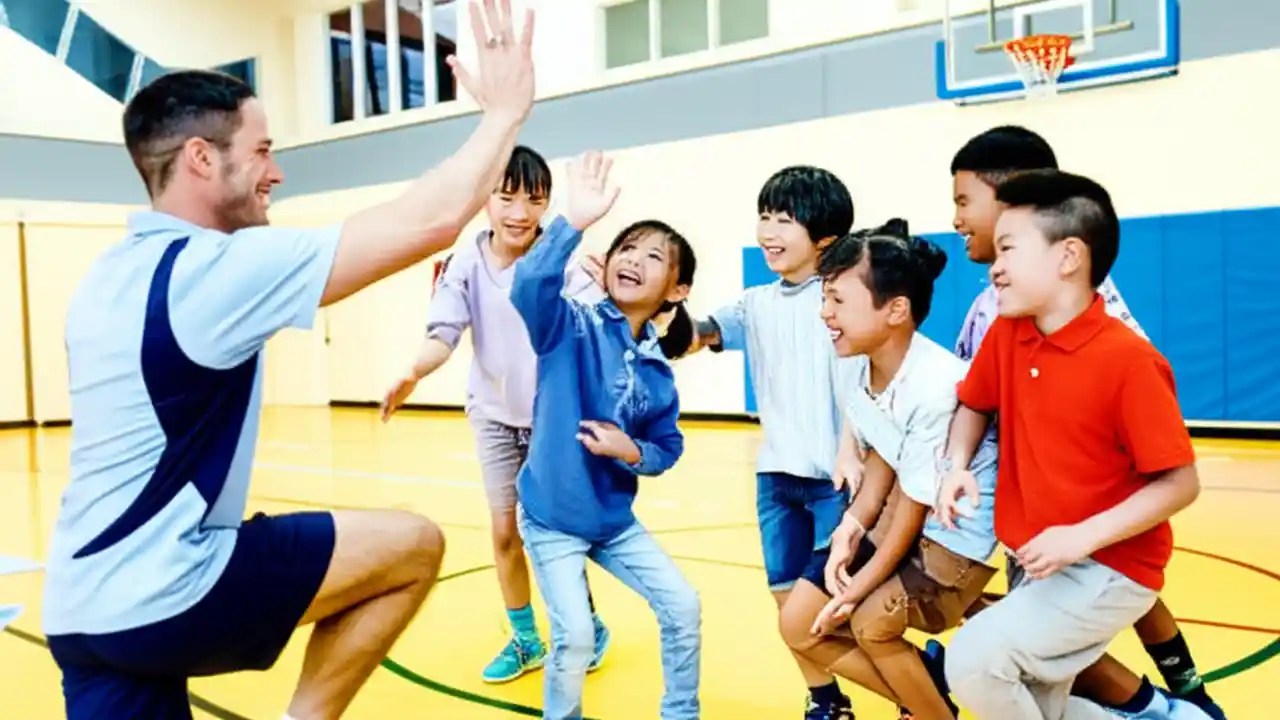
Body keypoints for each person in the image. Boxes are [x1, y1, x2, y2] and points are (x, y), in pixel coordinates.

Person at [40, 2, 537, 718]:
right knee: (412, 546)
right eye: (264, 149)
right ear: (202, 158)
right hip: (166, 590)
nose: (276, 171)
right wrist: (505, 115)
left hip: (81, 608)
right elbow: (426, 222)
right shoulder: (211, 268)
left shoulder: (108, 275)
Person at [947, 126, 1227, 720]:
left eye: (1008, 250)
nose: (994, 268)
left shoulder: (1128, 360)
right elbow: (974, 402)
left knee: (973, 660)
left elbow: (1180, 483)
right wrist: (954, 468)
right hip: (1040, 557)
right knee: (1043, 703)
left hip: (1109, 565)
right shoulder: (1008, 332)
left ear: (1069, 256)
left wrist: (1080, 537)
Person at [380, 144, 612, 684]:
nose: (519, 212)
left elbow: (600, 321)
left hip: (554, 420)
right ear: (486, 198)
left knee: (555, 533)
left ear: (548, 204)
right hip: (493, 416)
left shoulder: (563, 260)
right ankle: (527, 639)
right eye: (506, 197)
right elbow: (443, 333)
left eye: (533, 200)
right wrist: (414, 372)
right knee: (505, 531)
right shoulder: (464, 264)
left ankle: (588, 627)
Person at [510, 151, 701, 720]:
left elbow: (667, 447)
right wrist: (575, 221)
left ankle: (681, 713)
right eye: (627, 249)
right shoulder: (570, 324)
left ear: (677, 289)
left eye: (653, 257)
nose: (634, 260)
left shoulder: (657, 371)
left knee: (683, 606)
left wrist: (632, 451)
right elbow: (530, 284)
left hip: (614, 524)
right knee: (574, 639)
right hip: (550, 518)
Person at [778, 220, 995, 720]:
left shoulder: (935, 386)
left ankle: (932, 708)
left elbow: (913, 514)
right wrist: (849, 531)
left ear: (896, 310)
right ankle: (926, 687)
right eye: (824, 298)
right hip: (902, 521)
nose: (824, 313)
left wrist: (856, 588)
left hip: (951, 541)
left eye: (837, 301)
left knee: (871, 622)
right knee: (798, 624)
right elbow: (882, 456)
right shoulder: (859, 359)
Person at [689, 166, 858, 720]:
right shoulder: (755, 303)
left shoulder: (846, 298)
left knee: (845, 606)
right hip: (777, 480)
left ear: (825, 240)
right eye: (765, 216)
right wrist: (652, 301)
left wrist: (854, 449)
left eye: (785, 220)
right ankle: (827, 700)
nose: (769, 230)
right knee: (787, 602)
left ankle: (917, 681)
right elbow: (693, 334)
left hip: (840, 483)